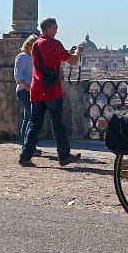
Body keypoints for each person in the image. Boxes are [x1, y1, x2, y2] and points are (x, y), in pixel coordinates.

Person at [19, 17, 83, 167]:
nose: (57, 30)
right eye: (55, 27)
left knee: (34, 124)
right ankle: (64, 155)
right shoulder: (54, 44)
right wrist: (78, 52)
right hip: (52, 90)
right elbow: (72, 61)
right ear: (49, 28)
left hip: (36, 89)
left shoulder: (35, 45)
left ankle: (25, 156)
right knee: (58, 123)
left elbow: (50, 58)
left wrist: (67, 53)